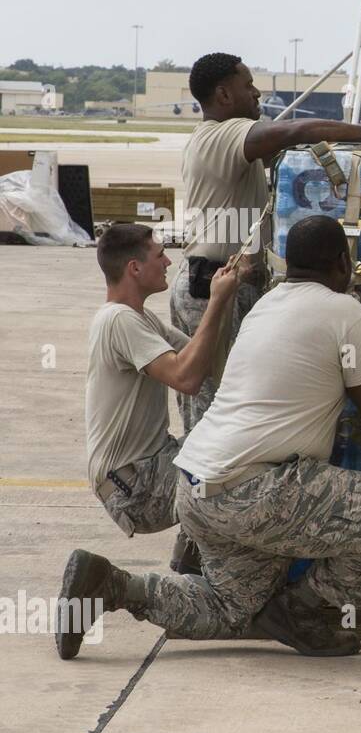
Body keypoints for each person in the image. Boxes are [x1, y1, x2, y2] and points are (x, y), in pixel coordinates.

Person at [57, 216, 361, 660]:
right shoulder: (344, 310)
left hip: (196, 487)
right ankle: (303, 608)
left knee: (234, 610)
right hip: (250, 490)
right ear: (343, 264)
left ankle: (114, 585)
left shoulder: (265, 307)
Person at [172, 51, 361, 432]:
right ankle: (200, 485)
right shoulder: (223, 134)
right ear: (223, 95)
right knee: (213, 402)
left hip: (228, 280)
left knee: (233, 394)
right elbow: (295, 131)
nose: (256, 93)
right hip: (212, 286)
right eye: (248, 85)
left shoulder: (230, 144)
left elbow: (290, 152)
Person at [83, 223, 240, 575]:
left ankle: (196, 545)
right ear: (134, 269)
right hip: (134, 486)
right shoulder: (119, 321)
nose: (168, 262)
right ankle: (211, 561)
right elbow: (185, 378)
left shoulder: (141, 318)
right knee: (245, 471)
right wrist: (216, 299)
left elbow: (205, 364)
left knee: (237, 445)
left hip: (148, 467)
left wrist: (227, 297)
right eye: (159, 256)